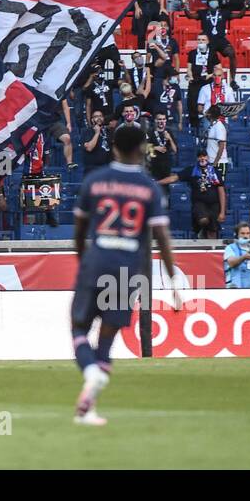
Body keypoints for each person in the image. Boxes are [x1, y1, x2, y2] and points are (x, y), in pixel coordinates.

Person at [70, 125, 180, 426]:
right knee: (107, 336)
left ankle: (90, 374)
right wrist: (172, 281)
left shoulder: (95, 181)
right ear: (143, 148)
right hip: (127, 270)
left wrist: (84, 262)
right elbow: (162, 237)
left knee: (79, 328)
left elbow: (79, 231)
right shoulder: (149, 187)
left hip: (96, 260)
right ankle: (89, 405)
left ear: (114, 147)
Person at [189, 149, 225, 239]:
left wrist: (222, 212)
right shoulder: (192, 171)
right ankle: (202, 230)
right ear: (197, 158)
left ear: (207, 157)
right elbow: (175, 178)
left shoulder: (215, 171)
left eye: (204, 156)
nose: (202, 158)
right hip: (199, 203)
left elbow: (221, 191)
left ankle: (213, 248)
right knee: (203, 220)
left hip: (214, 204)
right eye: (200, 156)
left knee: (213, 230)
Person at [224, 223, 250, 288]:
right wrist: (244, 257)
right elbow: (231, 263)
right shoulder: (230, 247)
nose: (245, 236)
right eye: (242, 233)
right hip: (234, 287)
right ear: (236, 235)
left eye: (248, 233)